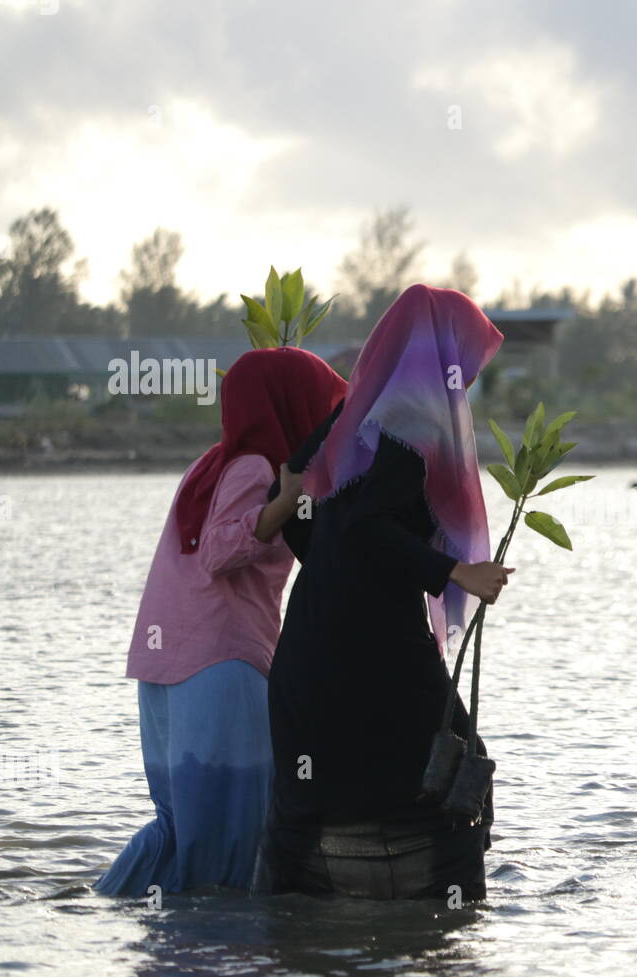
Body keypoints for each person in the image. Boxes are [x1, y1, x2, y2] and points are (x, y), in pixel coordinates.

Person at [251, 284, 511, 902]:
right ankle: (435, 925)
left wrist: (337, 577)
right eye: (464, 362)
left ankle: (309, 940)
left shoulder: (346, 421)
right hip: (376, 648)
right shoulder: (412, 424)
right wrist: (453, 572)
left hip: (309, 649)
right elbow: (370, 526)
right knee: (454, 770)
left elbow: (292, 512)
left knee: (319, 788)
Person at [96, 348, 348, 895]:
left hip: (168, 668)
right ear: (289, 405)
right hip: (221, 666)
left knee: (182, 831)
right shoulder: (254, 468)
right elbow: (218, 550)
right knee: (230, 841)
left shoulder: (210, 464)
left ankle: (101, 915)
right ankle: (227, 966)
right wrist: (284, 504)